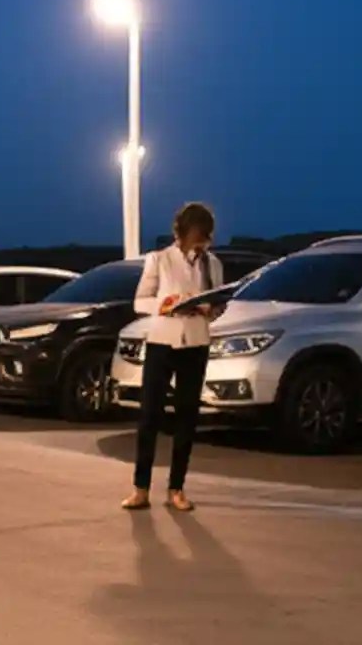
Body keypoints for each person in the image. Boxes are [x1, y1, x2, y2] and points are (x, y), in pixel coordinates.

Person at [122, 202, 224, 511]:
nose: (200, 243)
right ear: (181, 232)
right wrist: (166, 303)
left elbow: (219, 304)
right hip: (162, 341)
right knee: (150, 415)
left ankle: (176, 488)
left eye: (204, 237)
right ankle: (141, 488)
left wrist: (211, 309)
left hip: (195, 342)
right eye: (195, 235)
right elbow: (140, 301)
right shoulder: (159, 260)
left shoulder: (212, 264)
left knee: (186, 416)